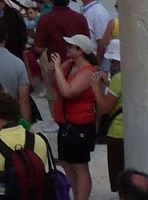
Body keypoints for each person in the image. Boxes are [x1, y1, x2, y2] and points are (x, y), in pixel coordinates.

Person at [49, 33, 101, 200]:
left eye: (71, 46)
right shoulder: (69, 65)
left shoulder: (88, 72)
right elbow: (53, 84)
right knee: (66, 162)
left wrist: (57, 69)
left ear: (80, 51)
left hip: (81, 123)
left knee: (80, 165)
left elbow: (68, 92)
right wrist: (54, 70)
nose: (67, 48)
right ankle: (77, 195)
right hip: (66, 122)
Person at [35, 0, 92, 68]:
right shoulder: (80, 18)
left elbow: (39, 48)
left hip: (55, 65)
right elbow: (87, 44)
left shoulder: (45, 19)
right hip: (77, 66)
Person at [98, 40, 124, 195]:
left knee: (119, 176)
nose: (113, 63)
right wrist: (108, 83)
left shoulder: (118, 78)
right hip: (133, 132)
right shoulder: (134, 76)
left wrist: (96, 89)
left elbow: (105, 108)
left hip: (118, 132)